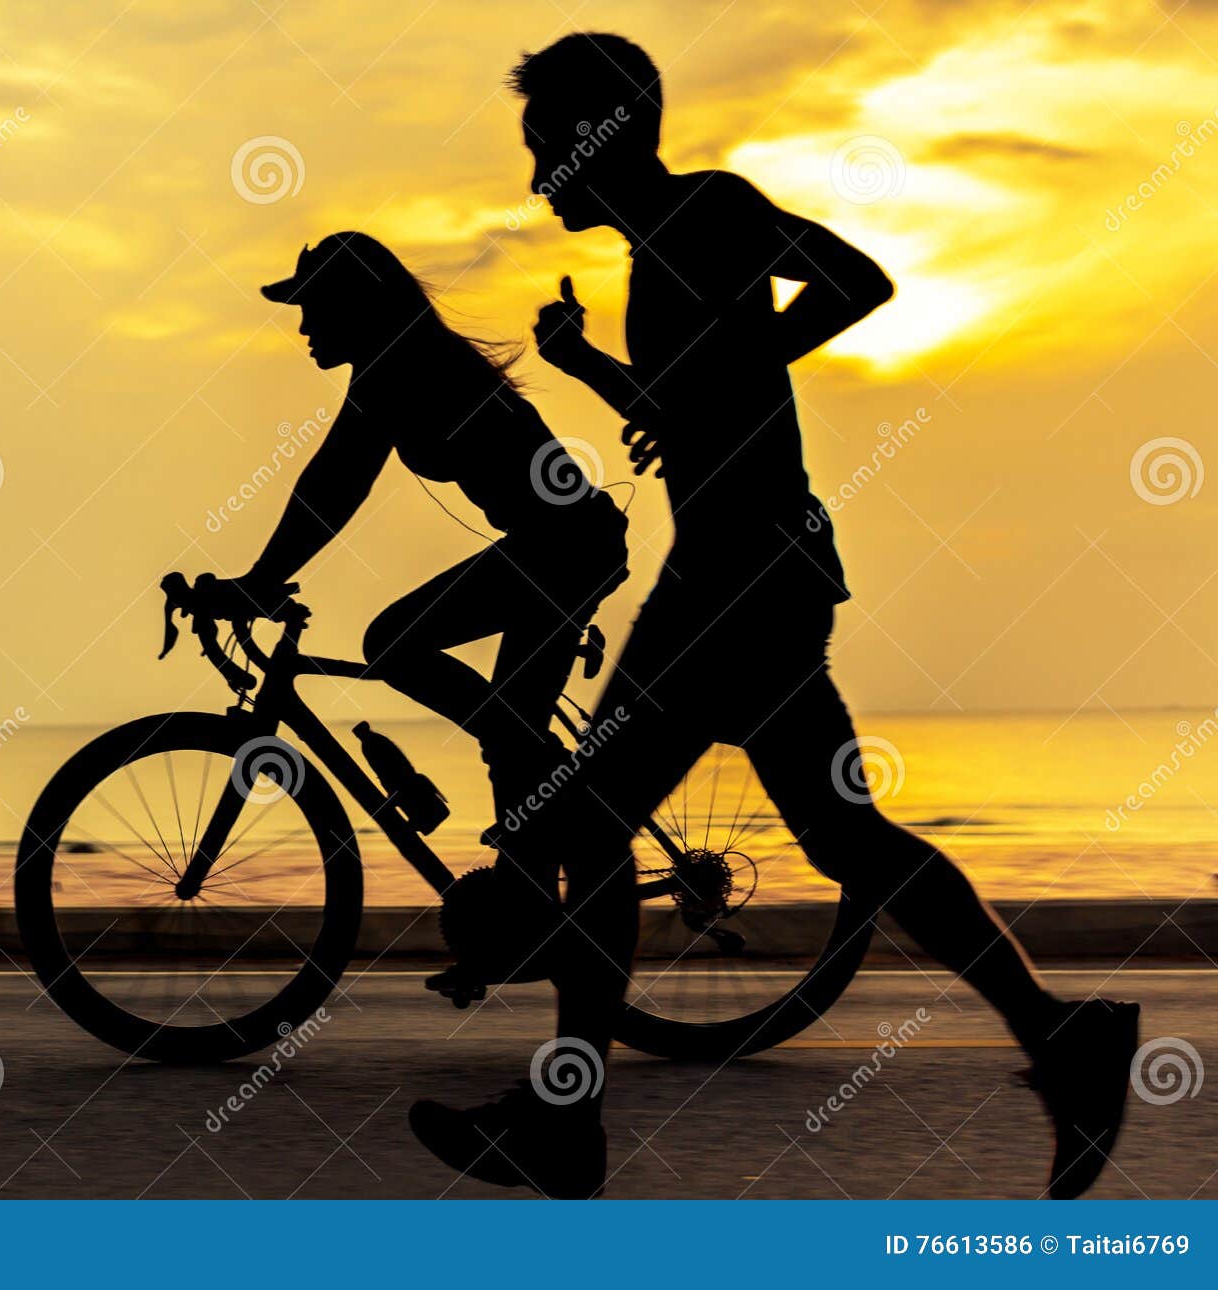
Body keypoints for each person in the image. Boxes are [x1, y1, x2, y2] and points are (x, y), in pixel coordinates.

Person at [409, 32, 1139, 1201]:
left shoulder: (705, 211)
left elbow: (857, 283)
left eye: (548, 145)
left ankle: (567, 1119)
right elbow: (696, 391)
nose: (537, 175)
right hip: (748, 574)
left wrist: (739, 366)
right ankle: (1060, 1037)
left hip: (736, 582)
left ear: (601, 136)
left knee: (597, 825)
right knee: (841, 841)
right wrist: (607, 368)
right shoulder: (668, 240)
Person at [209, 232, 628, 911]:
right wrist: (260, 578)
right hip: (556, 545)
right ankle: (529, 909)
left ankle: (547, 863)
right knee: (511, 737)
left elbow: (334, 485)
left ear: (356, 308)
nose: (305, 325)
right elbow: (331, 484)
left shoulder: (400, 369)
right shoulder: (394, 363)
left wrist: (260, 582)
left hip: (566, 548)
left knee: (401, 648)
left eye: (314, 308)